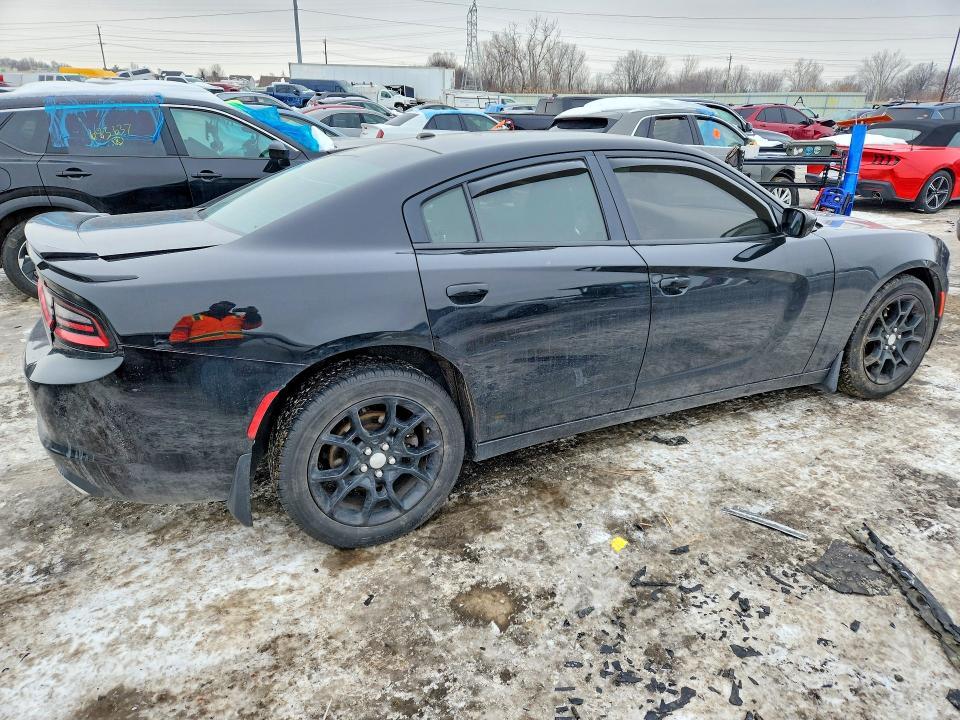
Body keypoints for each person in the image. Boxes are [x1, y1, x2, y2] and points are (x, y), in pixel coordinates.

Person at [169, 301, 262, 344]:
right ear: (212, 307)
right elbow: (178, 332)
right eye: (221, 306)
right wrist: (179, 346)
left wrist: (253, 315)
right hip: (204, 351)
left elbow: (254, 324)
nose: (224, 308)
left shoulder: (235, 317)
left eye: (227, 306)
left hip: (233, 350)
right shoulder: (194, 318)